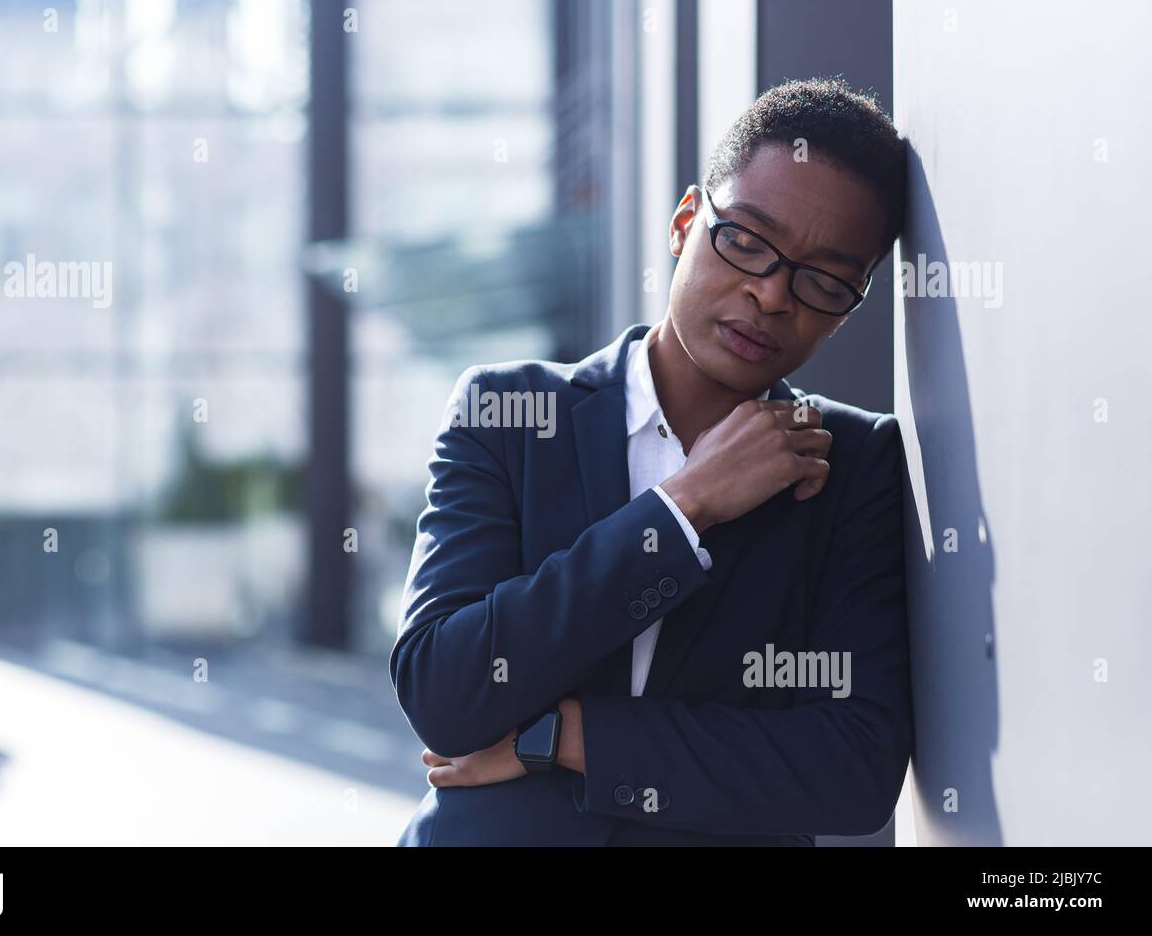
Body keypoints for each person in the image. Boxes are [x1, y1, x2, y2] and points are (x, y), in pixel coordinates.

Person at [390, 77, 912, 846]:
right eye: (745, 241)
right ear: (684, 223)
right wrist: (683, 507)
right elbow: (446, 688)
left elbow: (852, 769)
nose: (771, 295)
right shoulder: (505, 415)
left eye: (824, 281)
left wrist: (565, 737)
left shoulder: (852, 463)